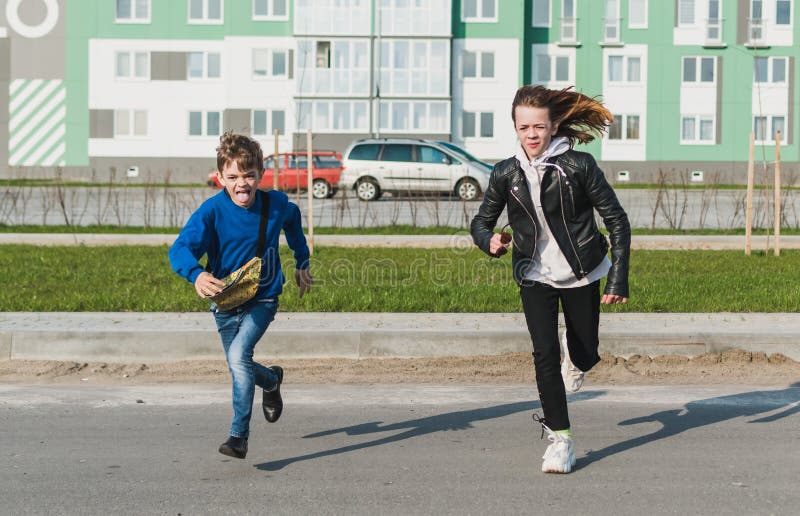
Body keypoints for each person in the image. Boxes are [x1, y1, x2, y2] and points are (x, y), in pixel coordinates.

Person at [470, 85, 630, 474]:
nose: (532, 134)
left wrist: (617, 280)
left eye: (539, 126)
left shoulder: (579, 166)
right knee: (544, 355)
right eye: (524, 127)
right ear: (515, 128)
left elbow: (617, 220)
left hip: (581, 273)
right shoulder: (506, 173)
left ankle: (577, 358)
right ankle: (561, 439)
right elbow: (480, 221)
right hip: (534, 274)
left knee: (585, 353)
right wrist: (486, 239)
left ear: (553, 125)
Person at [169, 132, 313, 459]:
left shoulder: (274, 204)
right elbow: (179, 249)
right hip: (225, 303)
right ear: (220, 178)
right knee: (241, 363)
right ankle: (272, 380)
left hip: (263, 297)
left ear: (261, 174)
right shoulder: (211, 212)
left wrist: (302, 261)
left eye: (249, 175)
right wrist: (196, 274)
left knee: (237, 359)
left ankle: (238, 436)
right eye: (233, 177)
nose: (242, 184)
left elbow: (293, 219)